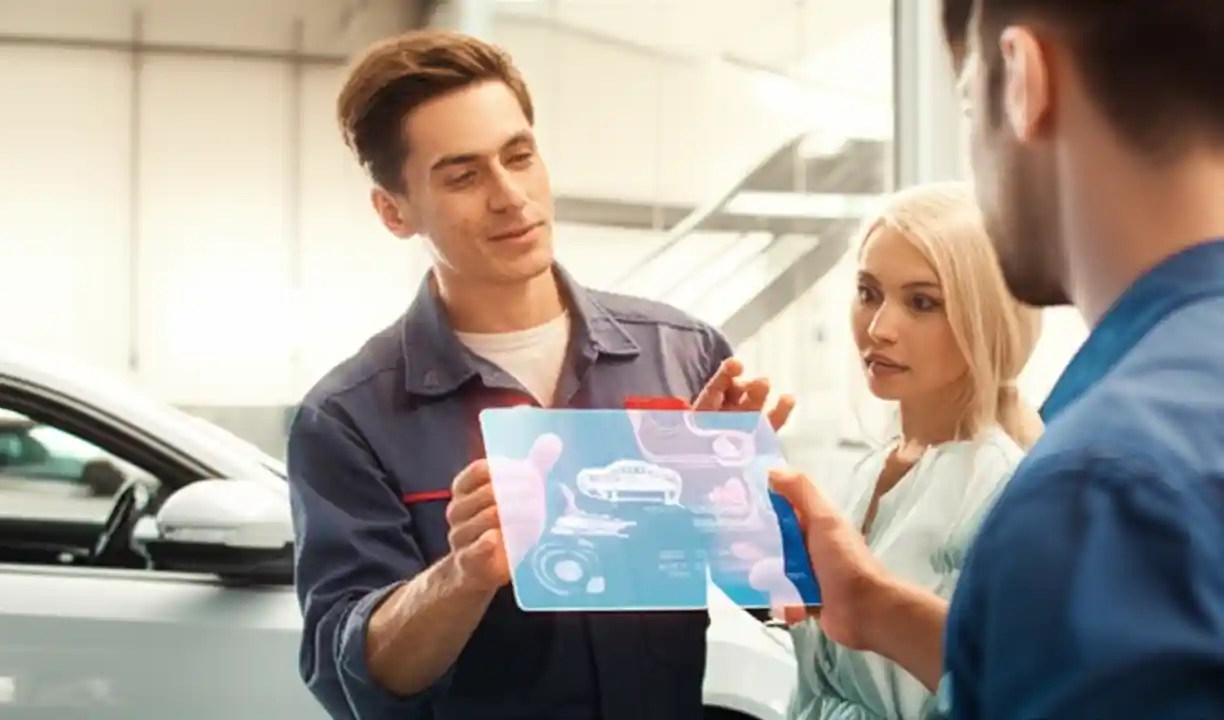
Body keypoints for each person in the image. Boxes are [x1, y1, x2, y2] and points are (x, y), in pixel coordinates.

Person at [285, 29, 793, 720]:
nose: (510, 196)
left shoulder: (683, 352)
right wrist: (464, 575)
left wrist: (738, 502)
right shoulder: (348, 419)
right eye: (463, 175)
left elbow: (779, 599)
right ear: (394, 211)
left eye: (520, 157)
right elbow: (356, 679)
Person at [770, 1, 1224, 717]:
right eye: (869, 293)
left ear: (1022, 78)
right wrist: (869, 605)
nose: (882, 327)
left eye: (962, 102)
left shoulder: (1102, 484)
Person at [783, 182, 1039, 719]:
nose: (879, 328)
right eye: (868, 292)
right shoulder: (862, 475)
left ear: (984, 318)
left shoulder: (1005, 491)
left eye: (921, 303)